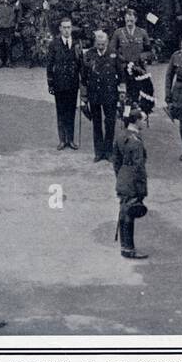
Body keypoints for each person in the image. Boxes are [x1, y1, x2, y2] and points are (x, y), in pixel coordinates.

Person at [113, 106, 148, 259]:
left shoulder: (120, 136)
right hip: (133, 181)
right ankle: (129, 249)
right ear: (136, 121)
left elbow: (116, 160)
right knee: (130, 213)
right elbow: (139, 168)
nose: (144, 123)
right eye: (142, 120)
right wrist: (142, 189)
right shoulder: (137, 142)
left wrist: (120, 175)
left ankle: (124, 246)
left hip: (122, 177)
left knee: (123, 211)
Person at [81, 29, 120, 162]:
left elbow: (121, 76)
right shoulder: (89, 54)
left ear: (107, 42)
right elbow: (83, 78)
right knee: (96, 124)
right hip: (94, 95)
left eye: (103, 44)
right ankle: (98, 152)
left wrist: (122, 94)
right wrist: (84, 98)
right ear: (95, 43)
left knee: (110, 123)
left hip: (110, 95)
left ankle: (108, 152)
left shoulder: (114, 54)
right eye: (98, 44)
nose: (101, 46)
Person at [46, 16, 83, 151]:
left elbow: (81, 64)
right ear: (60, 29)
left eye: (69, 27)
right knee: (61, 111)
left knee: (71, 111)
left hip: (73, 83)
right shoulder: (54, 44)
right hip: (59, 83)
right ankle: (62, 140)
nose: (67, 30)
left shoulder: (77, 44)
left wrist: (82, 82)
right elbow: (49, 65)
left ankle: (71, 139)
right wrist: (50, 83)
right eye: (64, 27)